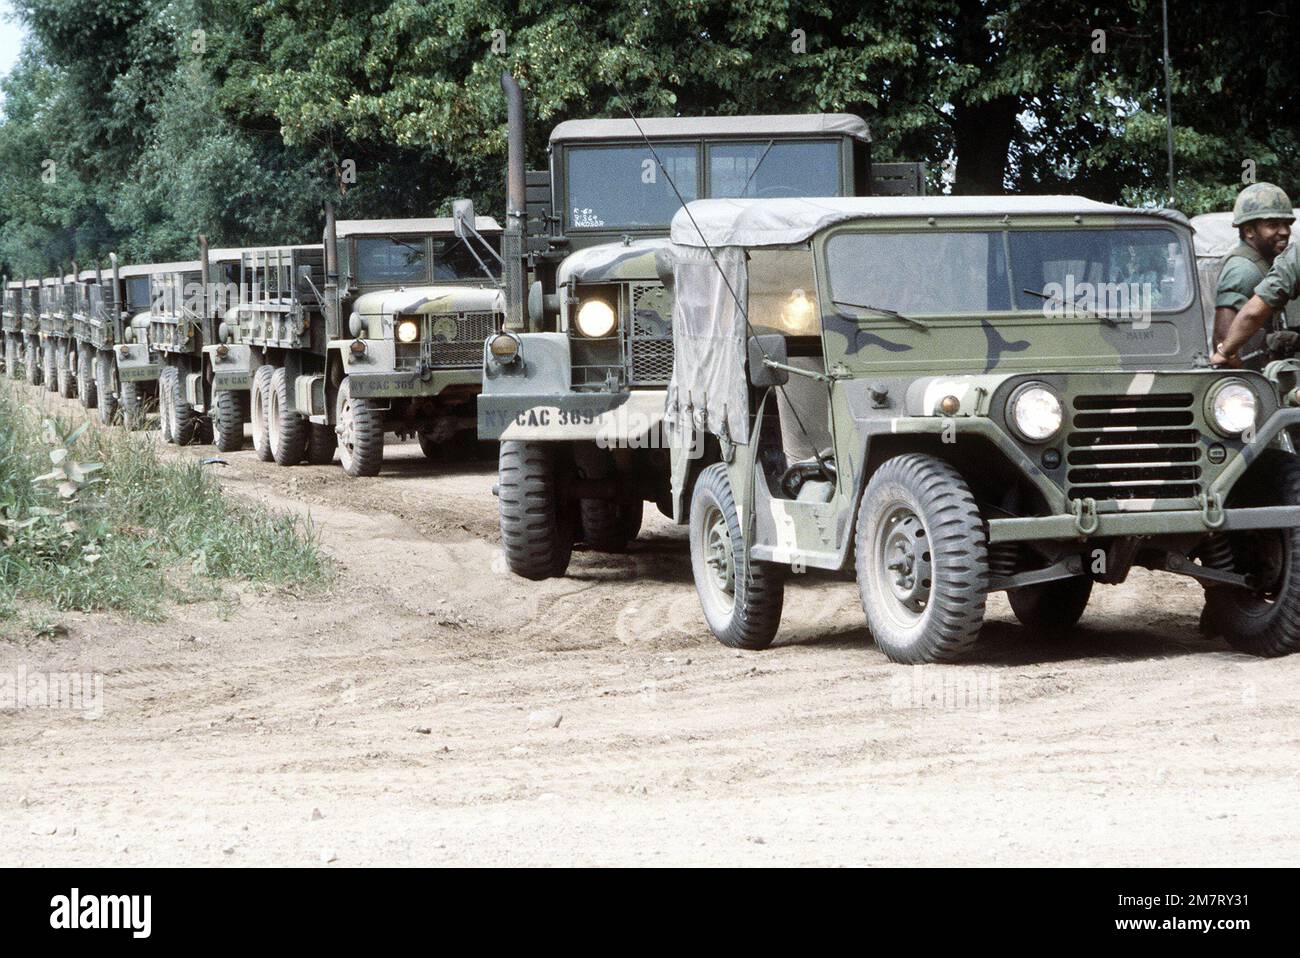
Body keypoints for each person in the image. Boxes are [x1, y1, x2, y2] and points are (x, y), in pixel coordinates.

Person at [1210, 183, 1295, 367]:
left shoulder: (1267, 263)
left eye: (1287, 224)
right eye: (1273, 225)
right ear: (1248, 231)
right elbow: (1223, 341)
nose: (1285, 232)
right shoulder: (1244, 270)